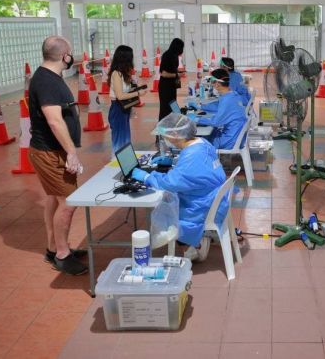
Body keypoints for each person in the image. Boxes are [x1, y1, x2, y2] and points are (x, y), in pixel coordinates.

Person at [131, 113, 228, 261]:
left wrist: (148, 177)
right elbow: (193, 172)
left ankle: (193, 250)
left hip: (202, 205)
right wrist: (172, 162)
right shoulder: (200, 142)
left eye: (166, 136)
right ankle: (194, 244)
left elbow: (171, 183)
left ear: (176, 134)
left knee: (168, 214)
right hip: (212, 196)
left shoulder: (192, 155)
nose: (165, 140)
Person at [28, 36, 88, 275]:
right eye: (71, 53)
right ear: (64, 56)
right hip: (50, 152)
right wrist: (71, 153)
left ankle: (54, 247)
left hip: (54, 150)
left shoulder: (49, 77)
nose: (72, 56)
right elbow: (54, 120)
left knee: (54, 198)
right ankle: (62, 255)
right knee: (68, 202)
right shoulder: (47, 82)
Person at [106, 45, 147, 153]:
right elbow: (120, 96)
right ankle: (117, 162)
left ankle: (126, 162)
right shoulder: (116, 74)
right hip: (117, 109)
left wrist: (135, 85)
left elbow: (126, 92)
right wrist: (138, 93)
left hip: (124, 109)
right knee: (119, 139)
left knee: (125, 138)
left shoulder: (124, 73)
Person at [193, 69, 247, 149]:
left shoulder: (226, 99)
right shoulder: (232, 94)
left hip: (229, 140)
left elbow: (216, 122)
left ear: (217, 83)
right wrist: (200, 106)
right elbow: (217, 106)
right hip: (238, 137)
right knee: (209, 133)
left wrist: (197, 119)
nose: (211, 84)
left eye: (211, 81)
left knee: (196, 142)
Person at [157, 38, 185, 120]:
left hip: (172, 86)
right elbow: (164, 73)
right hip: (165, 86)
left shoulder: (175, 56)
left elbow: (172, 70)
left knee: (173, 105)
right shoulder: (167, 55)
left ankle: (173, 124)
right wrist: (177, 75)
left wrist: (177, 74)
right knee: (165, 109)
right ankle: (161, 130)